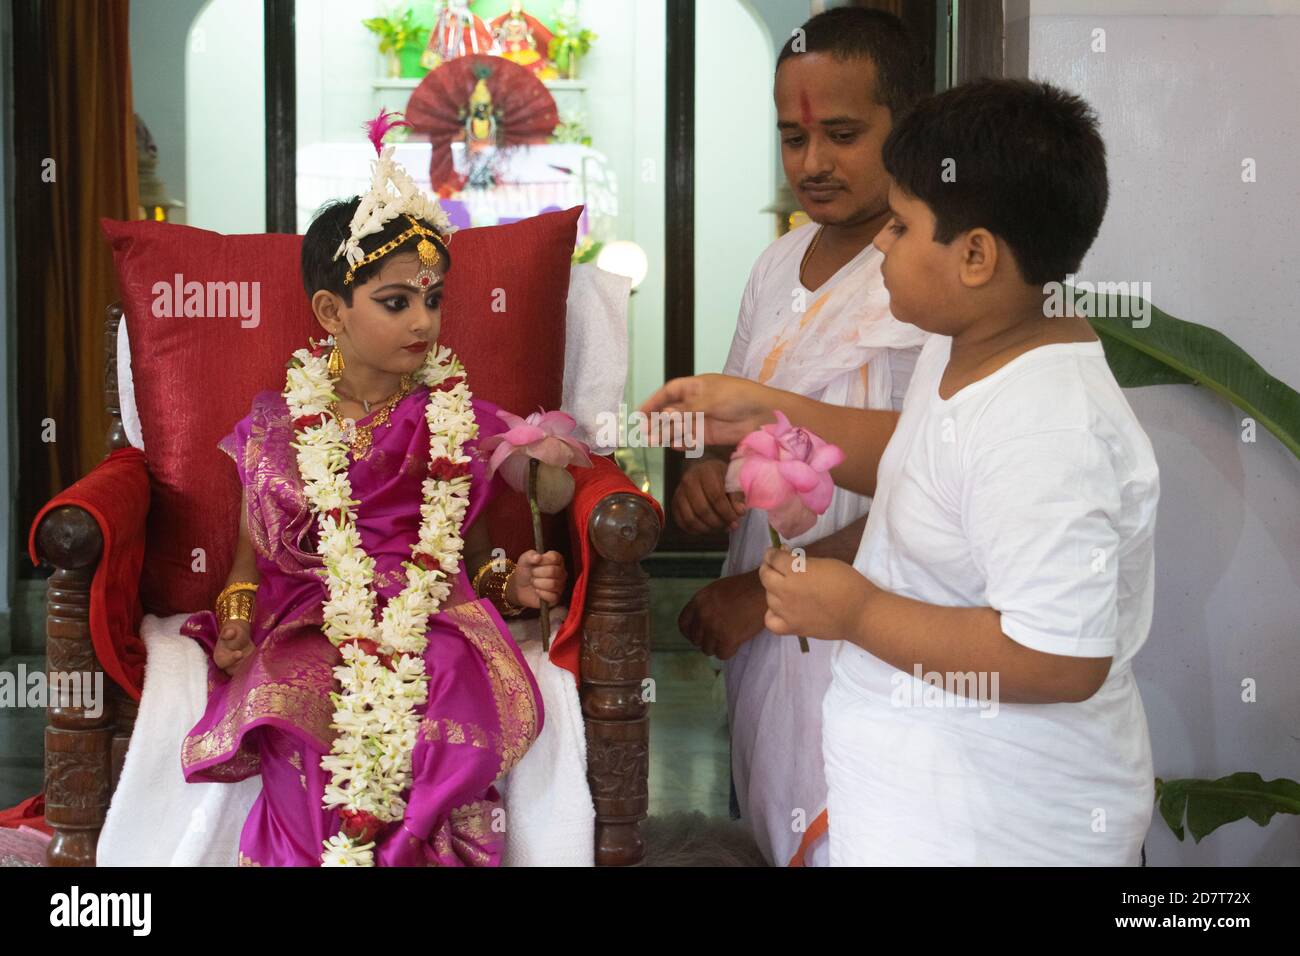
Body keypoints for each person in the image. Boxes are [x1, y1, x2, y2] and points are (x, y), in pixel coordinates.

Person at [645, 78, 1160, 865]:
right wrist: (769, 412)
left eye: (904, 225)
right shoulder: (975, 338)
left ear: (978, 255)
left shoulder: (1049, 428)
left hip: (999, 826)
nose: (881, 245)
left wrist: (855, 611)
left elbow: (1060, 659)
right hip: (921, 801)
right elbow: (924, 456)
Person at [178, 113, 565, 867]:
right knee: (301, 693)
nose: (424, 320)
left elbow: (473, 558)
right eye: (396, 302)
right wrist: (233, 622)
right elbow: (246, 568)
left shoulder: (453, 421)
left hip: (433, 614)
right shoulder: (277, 428)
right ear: (332, 314)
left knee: (443, 683)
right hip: (313, 612)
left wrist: (512, 584)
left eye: (434, 299)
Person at [672, 7, 928, 867]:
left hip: (881, 631)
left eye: (843, 134)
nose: (812, 164)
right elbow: (740, 428)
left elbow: (935, 478)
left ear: (911, 125)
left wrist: (768, 592)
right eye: (792, 137)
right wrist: (708, 480)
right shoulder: (778, 263)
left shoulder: (938, 275)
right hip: (766, 632)